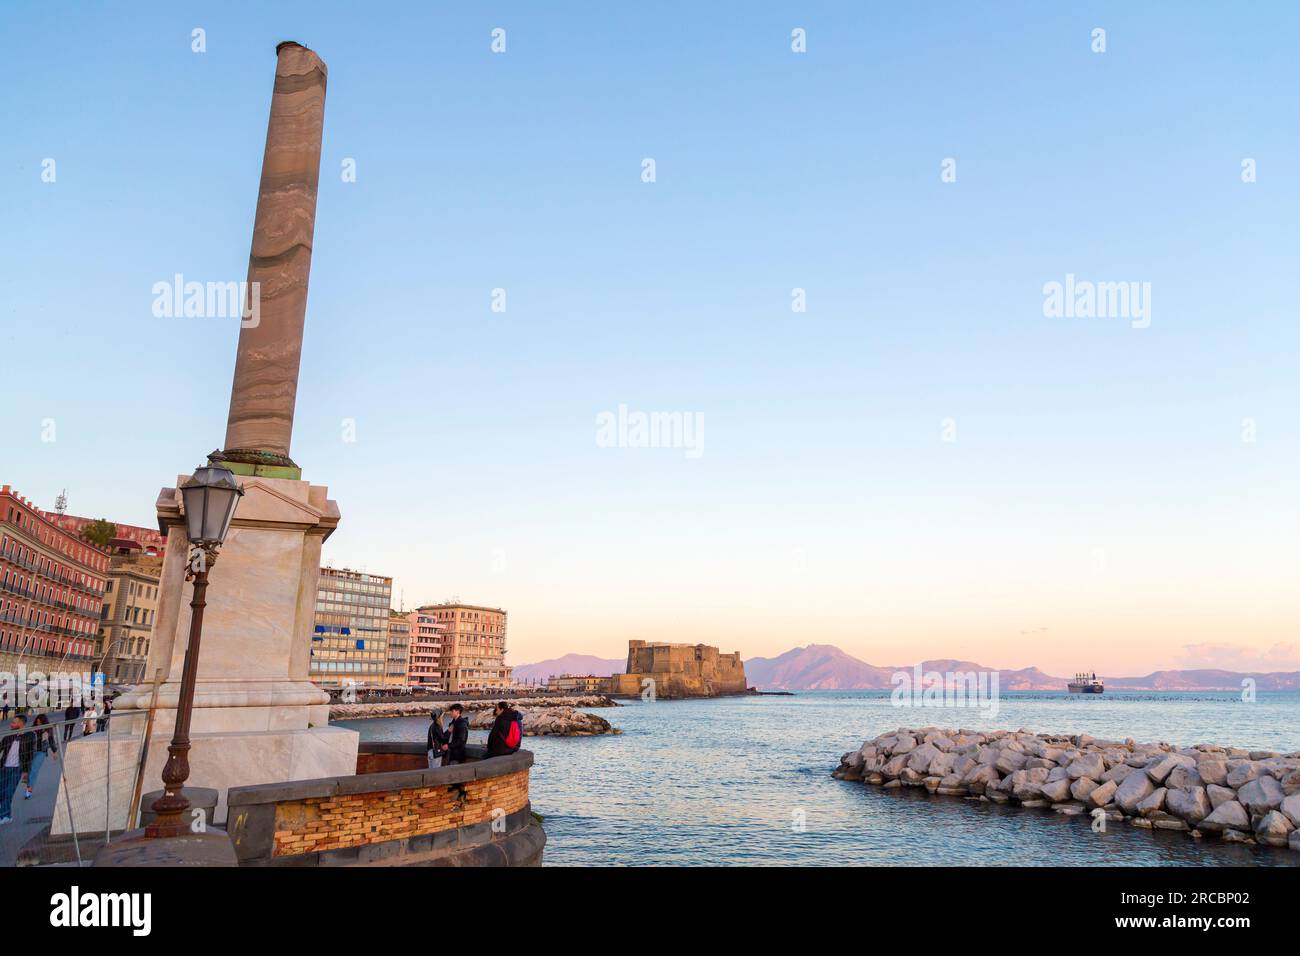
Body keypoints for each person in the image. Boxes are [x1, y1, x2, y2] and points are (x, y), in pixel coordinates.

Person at [0, 715, 34, 824]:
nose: (11, 724)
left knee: (9, 792)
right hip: (4, 768)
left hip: (17, 769)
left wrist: (26, 771)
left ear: (20, 724)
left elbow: (30, 755)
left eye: (14, 723)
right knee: (2, 793)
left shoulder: (29, 736)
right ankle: (7, 816)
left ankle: (3, 816)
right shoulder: (8, 737)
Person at [25, 713, 58, 798]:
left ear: (44, 722)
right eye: (37, 722)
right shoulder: (33, 729)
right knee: (29, 770)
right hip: (31, 752)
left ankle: (29, 789)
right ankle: (29, 784)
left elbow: (51, 740)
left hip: (41, 752)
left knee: (34, 769)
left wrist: (54, 751)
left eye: (40, 722)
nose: (38, 723)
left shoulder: (48, 729)